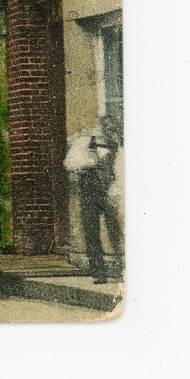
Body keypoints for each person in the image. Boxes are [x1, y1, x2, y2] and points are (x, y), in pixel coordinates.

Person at [64, 116, 122, 283]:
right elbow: (69, 163)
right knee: (91, 232)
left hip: (107, 193)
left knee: (114, 230)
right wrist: (87, 162)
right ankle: (98, 271)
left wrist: (115, 191)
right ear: (101, 127)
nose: (111, 132)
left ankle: (120, 264)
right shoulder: (86, 141)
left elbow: (118, 171)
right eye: (108, 128)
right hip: (88, 192)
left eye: (113, 129)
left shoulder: (116, 146)